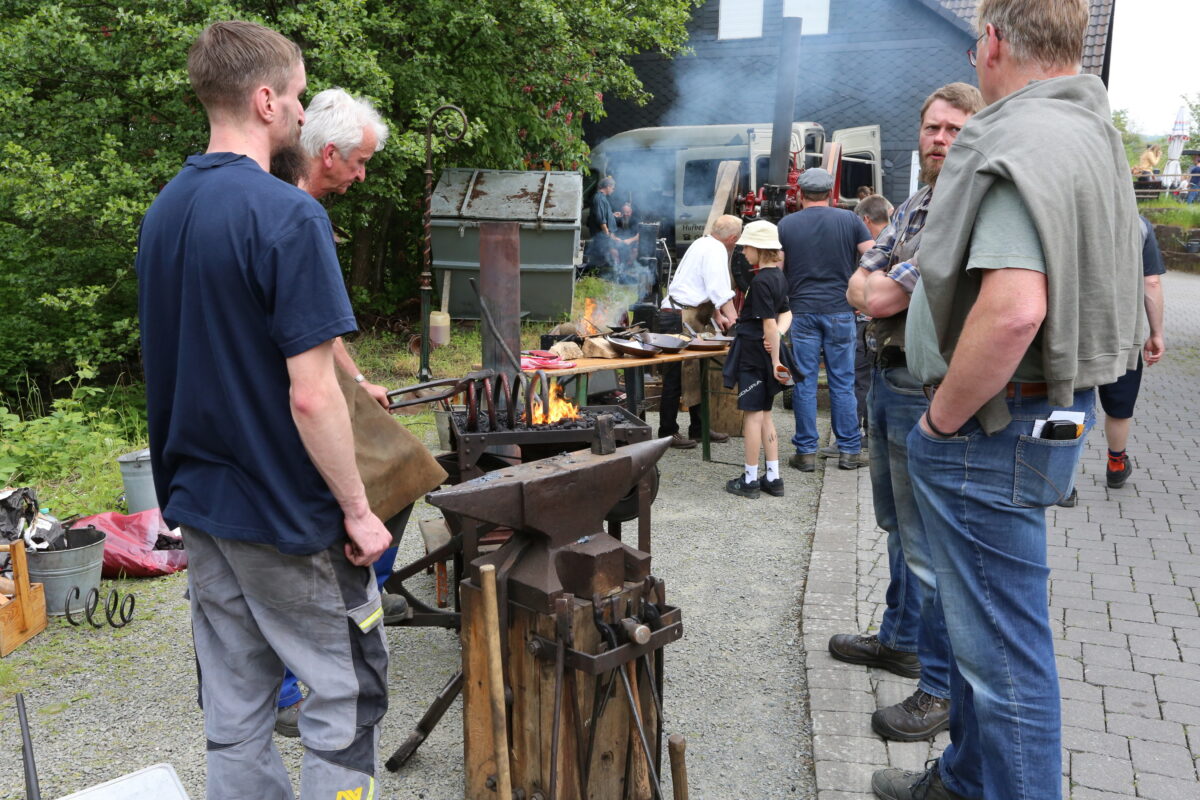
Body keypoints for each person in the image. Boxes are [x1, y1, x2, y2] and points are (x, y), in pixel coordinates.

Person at [873, 3, 1144, 799]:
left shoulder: (1021, 137)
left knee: (1005, 663)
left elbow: (1017, 309)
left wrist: (938, 421)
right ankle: (962, 779)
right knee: (974, 632)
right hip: (1038, 419)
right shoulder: (1088, 128)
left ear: (992, 42)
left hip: (992, 429)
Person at [136, 21, 391, 799]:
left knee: (236, 705)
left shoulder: (164, 212)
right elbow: (312, 394)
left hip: (202, 508)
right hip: (287, 514)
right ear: (266, 99)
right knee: (345, 697)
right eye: (302, 94)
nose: (305, 111)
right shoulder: (290, 217)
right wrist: (357, 510)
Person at [837, 83, 983, 746]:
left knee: (929, 548)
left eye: (954, 129)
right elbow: (864, 279)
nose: (940, 140)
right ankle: (897, 640)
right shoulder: (918, 201)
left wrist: (880, 279)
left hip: (926, 386)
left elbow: (885, 294)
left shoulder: (968, 203)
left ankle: (940, 689)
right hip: (885, 379)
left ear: (973, 136)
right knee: (896, 527)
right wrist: (880, 273)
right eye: (932, 128)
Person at [269, 86, 411, 738]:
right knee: (381, 492)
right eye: (359, 163)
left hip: (322, 386)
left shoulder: (292, 206)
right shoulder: (296, 217)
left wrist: (361, 380)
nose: (362, 175)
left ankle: (350, 614)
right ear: (328, 155)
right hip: (298, 408)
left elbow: (322, 329)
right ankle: (297, 682)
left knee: (403, 474)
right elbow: (305, 355)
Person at [778, 168, 874, 472]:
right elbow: (873, 256)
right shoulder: (850, 220)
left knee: (804, 382)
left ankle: (805, 453)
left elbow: (778, 270)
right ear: (831, 194)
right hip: (840, 311)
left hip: (803, 312)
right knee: (843, 382)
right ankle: (849, 451)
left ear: (800, 195)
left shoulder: (786, 224)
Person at [655, 215, 742, 448]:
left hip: (687, 314)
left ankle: (698, 428)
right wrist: (735, 321)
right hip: (678, 317)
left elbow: (701, 285)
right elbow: (720, 291)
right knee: (674, 378)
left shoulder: (702, 242)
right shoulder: (716, 251)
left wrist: (717, 316)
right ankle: (667, 432)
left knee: (697, 373)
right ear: (733, 238)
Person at [820, 192, 893, 462]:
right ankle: (873, 435)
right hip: (889, 327)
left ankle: (850, 440)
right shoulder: (900, 239)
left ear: (864, 219)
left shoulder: (874, 249)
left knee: (857, 381)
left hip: (864, 322)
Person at [722, 220, 792, 498]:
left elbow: (768, 325)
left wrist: (775, 359)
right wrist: (777, 341)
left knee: (752, 416)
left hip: (753, 355)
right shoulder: (778, 276)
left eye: (746, 247)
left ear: (758, 249)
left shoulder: (761, 281)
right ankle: (773, 477)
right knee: (765, 413)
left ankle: (750, 479)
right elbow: (786, 314)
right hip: (764, 352)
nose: (743, 252)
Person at [1099, 215, 1166, 489]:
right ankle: (1116, 463)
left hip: (1072, 329)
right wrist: (1156, 333)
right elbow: (1151, 283)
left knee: (1069, 402)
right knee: (1119, 406)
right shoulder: (1138, 224)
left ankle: (1061, 478)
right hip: (1122, 333)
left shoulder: (1066, 208)